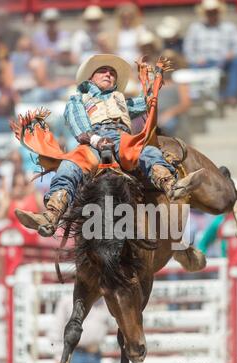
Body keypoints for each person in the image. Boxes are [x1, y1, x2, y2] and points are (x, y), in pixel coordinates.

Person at [14, 53, 204, 236]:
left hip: (122, 139)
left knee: (147, 151)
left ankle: (172, 186)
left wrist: (153, 83)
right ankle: (51, 215)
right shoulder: (78, 99)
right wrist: (96, 140)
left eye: (112, 73)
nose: (109, 74)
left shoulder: (121, 100)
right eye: (103, 71)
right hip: (93, 141)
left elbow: (147, 102)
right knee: (70, 166)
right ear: (91, 77)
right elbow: (77, 123)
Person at [184, 0, 237, 105]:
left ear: (218, 12)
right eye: (209, 12)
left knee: (236, 62)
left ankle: (231, 95)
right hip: (202, 62)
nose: (211, 14)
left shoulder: (229, 27)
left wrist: (231, 54)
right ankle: (196, 97)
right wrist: (196, 59)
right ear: (205, 13)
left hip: (223, 61)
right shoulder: (195, 28)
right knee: (192, 65)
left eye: (214, 11)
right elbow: (188, 48)